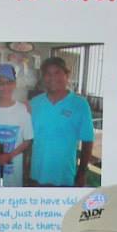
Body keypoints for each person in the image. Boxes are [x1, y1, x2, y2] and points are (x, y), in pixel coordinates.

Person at [29, 57, 93, 188]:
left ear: (67, 75)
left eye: (57, 72)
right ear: (43, 77)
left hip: (65, 177)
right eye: (48, 74)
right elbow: (28, 140)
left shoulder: (80, 104)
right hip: (36, 175)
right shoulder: (33, 104)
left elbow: (87, 141)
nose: (52, 78)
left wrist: (81, 174)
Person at [0, 64, 33, 188]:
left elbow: (28, 140)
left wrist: (10, 155)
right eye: (0, 82)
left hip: (14, 174)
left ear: (14, 84)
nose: (4, 87)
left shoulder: (22, 110)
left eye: (9, 82)